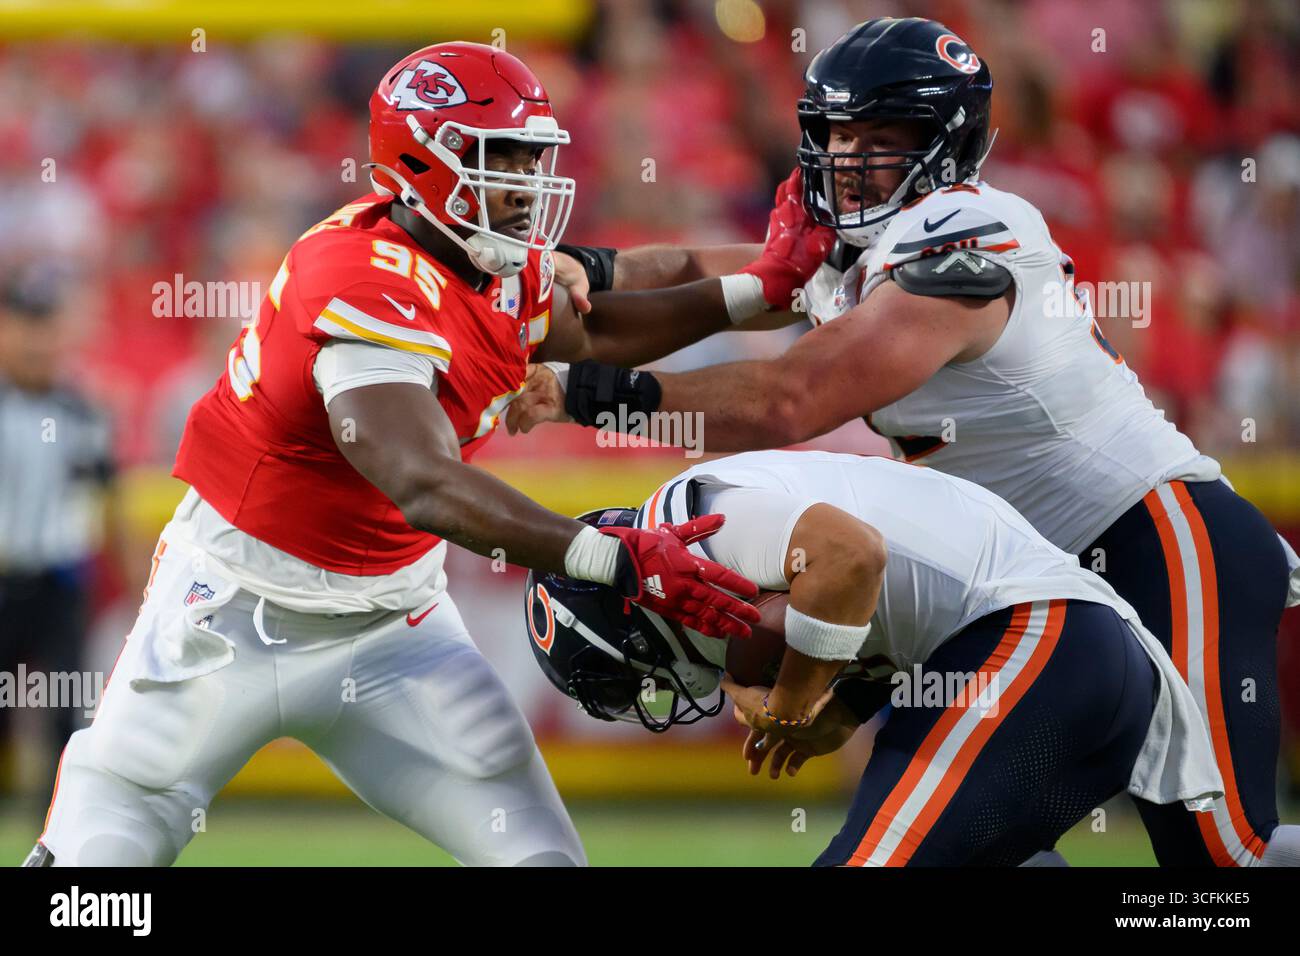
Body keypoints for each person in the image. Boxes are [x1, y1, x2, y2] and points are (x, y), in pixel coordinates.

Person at [516, 17, 1300, 868]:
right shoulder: (865, 251)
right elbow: (698, 275)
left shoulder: (962, 237)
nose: (849, 157)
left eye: (880, 137)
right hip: (1033, 590)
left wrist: (582, 397)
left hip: (1152, 533)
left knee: (1222, 872)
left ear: (945, 145)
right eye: (838, 133)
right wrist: (584, 270)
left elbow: (791, 399)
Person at [22, 42, 762, 868]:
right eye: (499, 157)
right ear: (423, 163)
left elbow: (616, 319)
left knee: (541, 859)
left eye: (531, 156)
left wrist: (781, 281)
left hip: (394, 626)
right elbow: (423, 483)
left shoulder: (487, 265)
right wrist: (611, 557)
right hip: (231, 614)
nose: (523, 183)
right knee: (95, 874)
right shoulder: (358, 276)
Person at [523, 449, 1223, 866]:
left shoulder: (687, 515)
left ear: (618, 621)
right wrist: (849, 705)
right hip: (1071, 651)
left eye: (617, 676)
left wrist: (796, 698)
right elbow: (897, 582)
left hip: (1038, 637)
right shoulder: (706, 534)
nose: (642, 689)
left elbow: (853, 556)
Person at [0, 269, 123, 804]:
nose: (34, 341)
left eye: (45, 327)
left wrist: (123, 569)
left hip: (58, 581)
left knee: (63, 717)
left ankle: (56, 841)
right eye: (23, 326)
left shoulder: (81, 412)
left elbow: (105, 494)